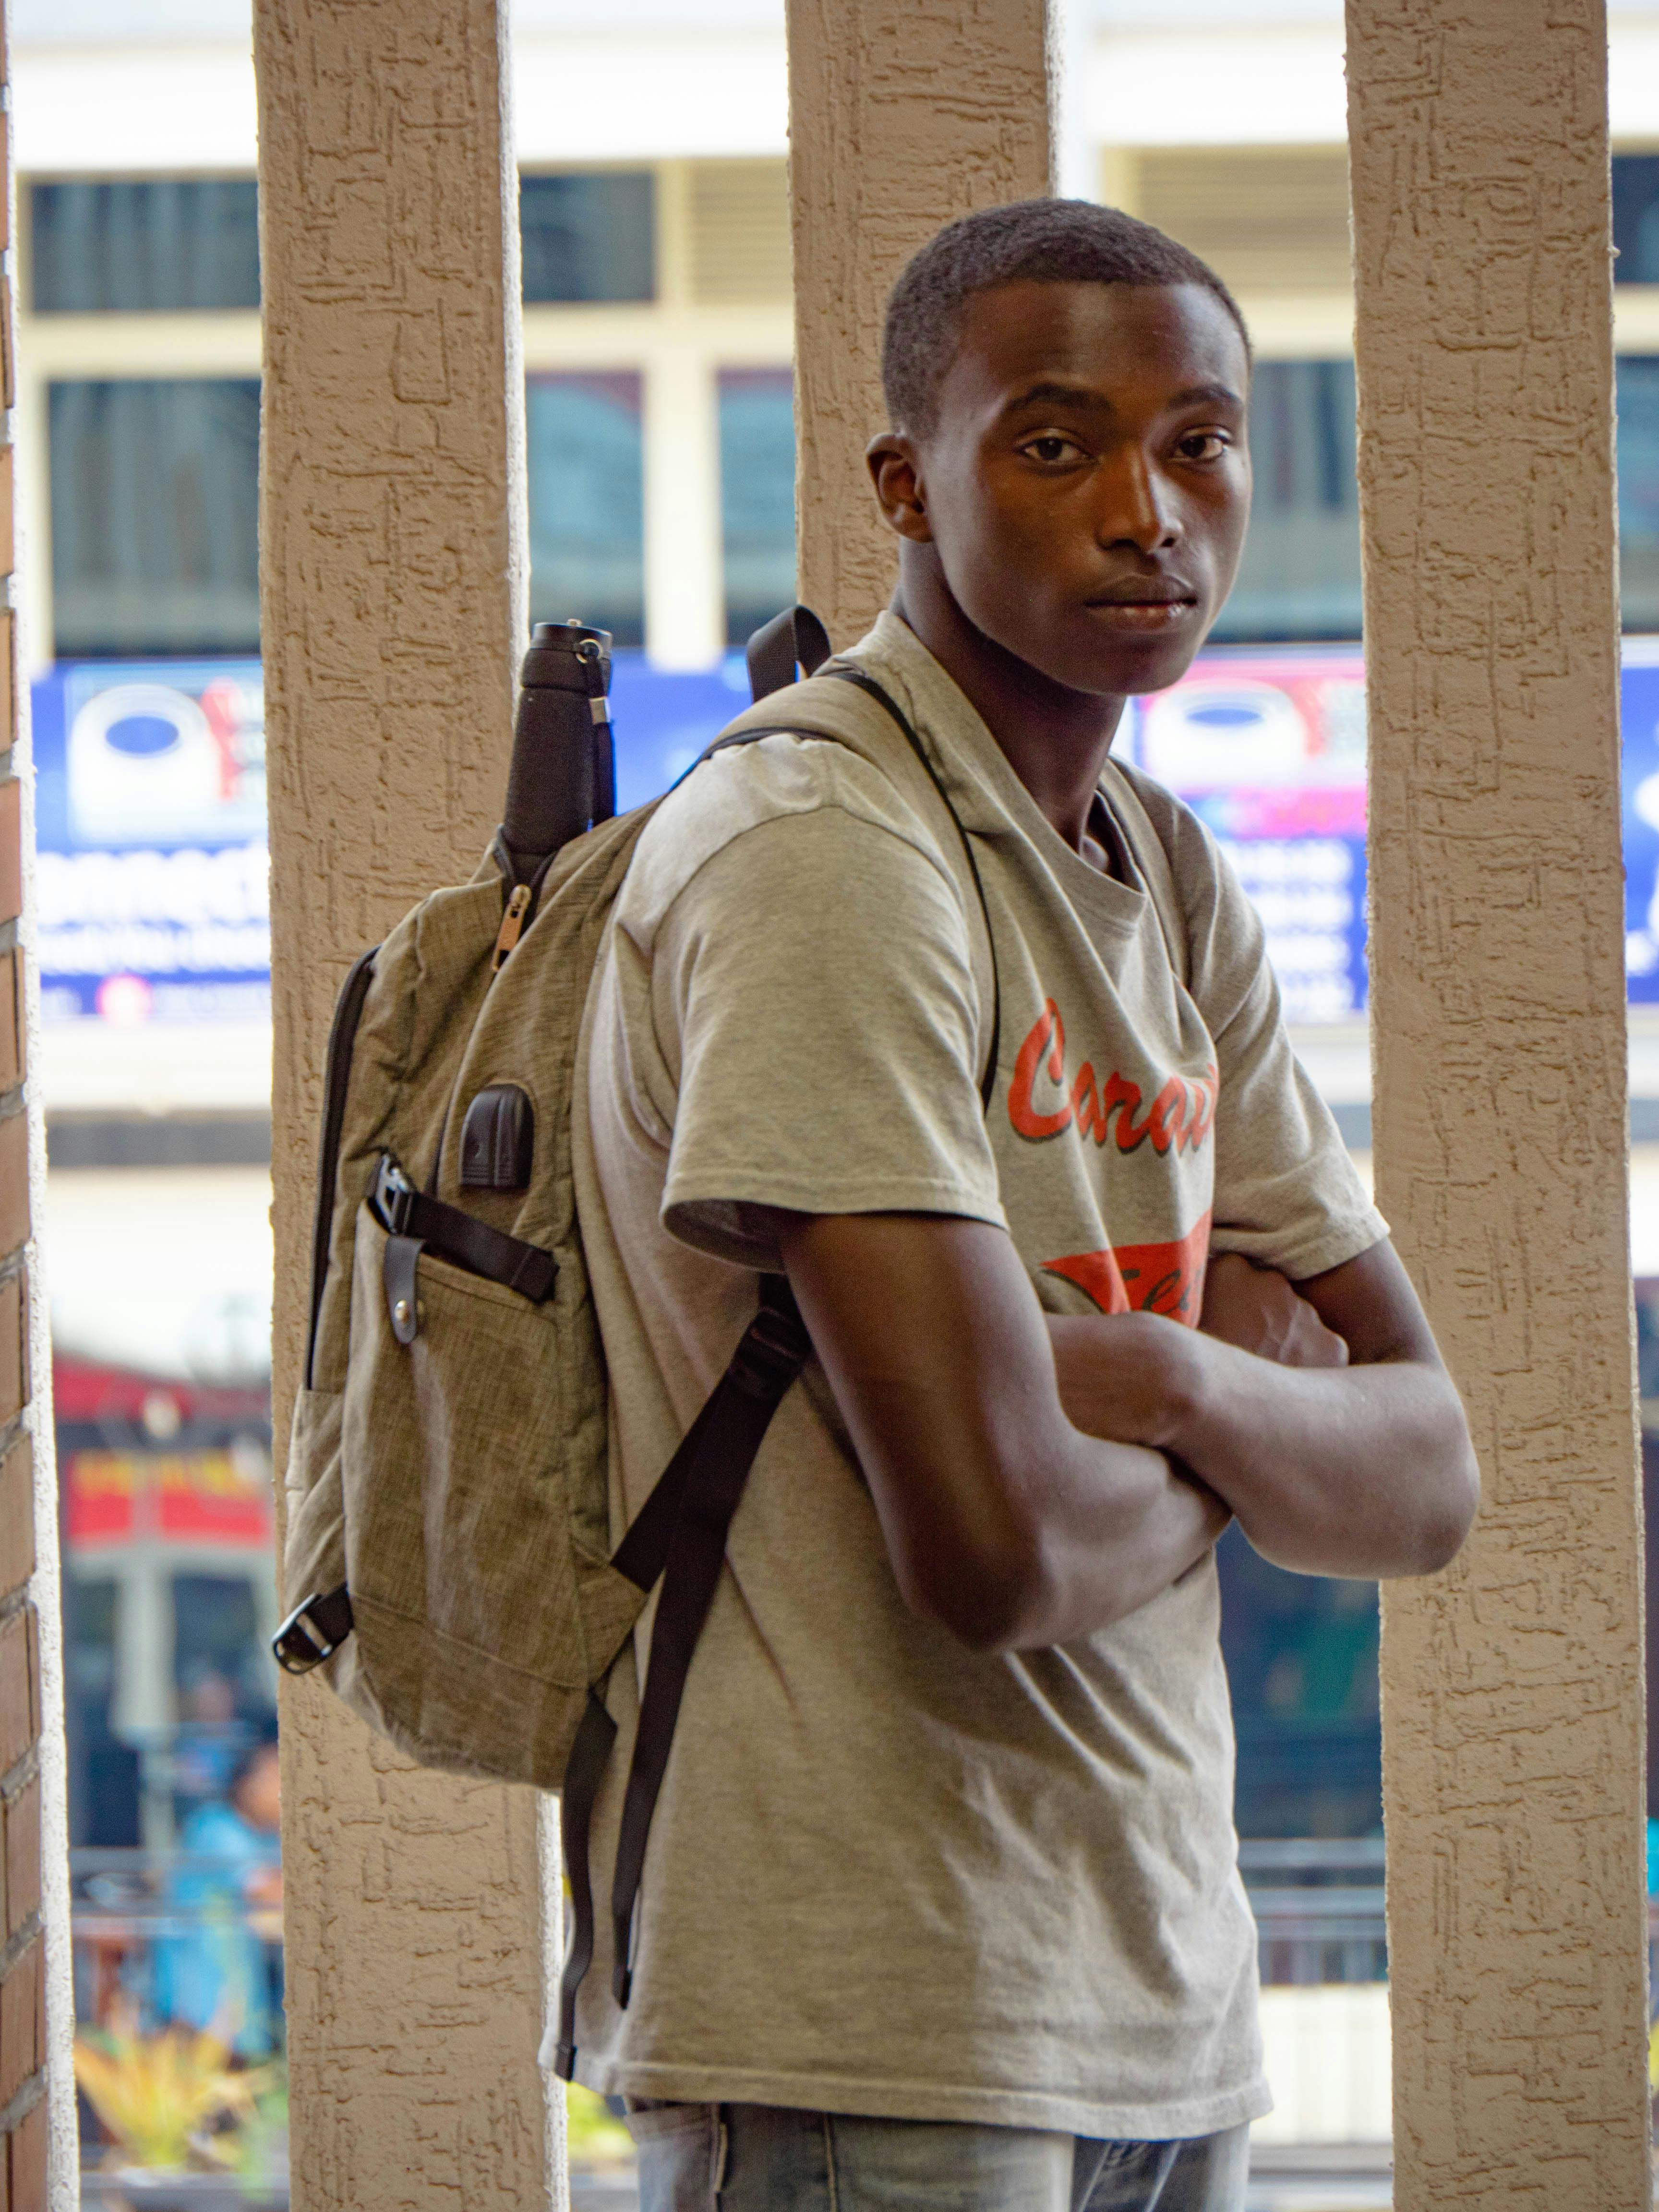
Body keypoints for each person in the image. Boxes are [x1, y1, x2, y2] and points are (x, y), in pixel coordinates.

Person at [571, 199, 1479, 2212]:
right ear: (906, 483)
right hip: (863, 2020)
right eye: (1055, 445)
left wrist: (1158, 1378)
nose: (1146, 514)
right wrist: (1256, 1414)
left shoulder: (1163, 867)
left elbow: (1425, 1473)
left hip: (1161, 1993)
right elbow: (989, 1547)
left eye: (1199, 442)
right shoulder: (824, 849)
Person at [152, 1732, 283, 2059]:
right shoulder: (216, 1828)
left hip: (236, 1997)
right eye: (276, 1779)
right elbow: (270, 1892)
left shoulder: (261, 1837)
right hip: (198, 1995)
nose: (285, 1792)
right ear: (246, 1785)